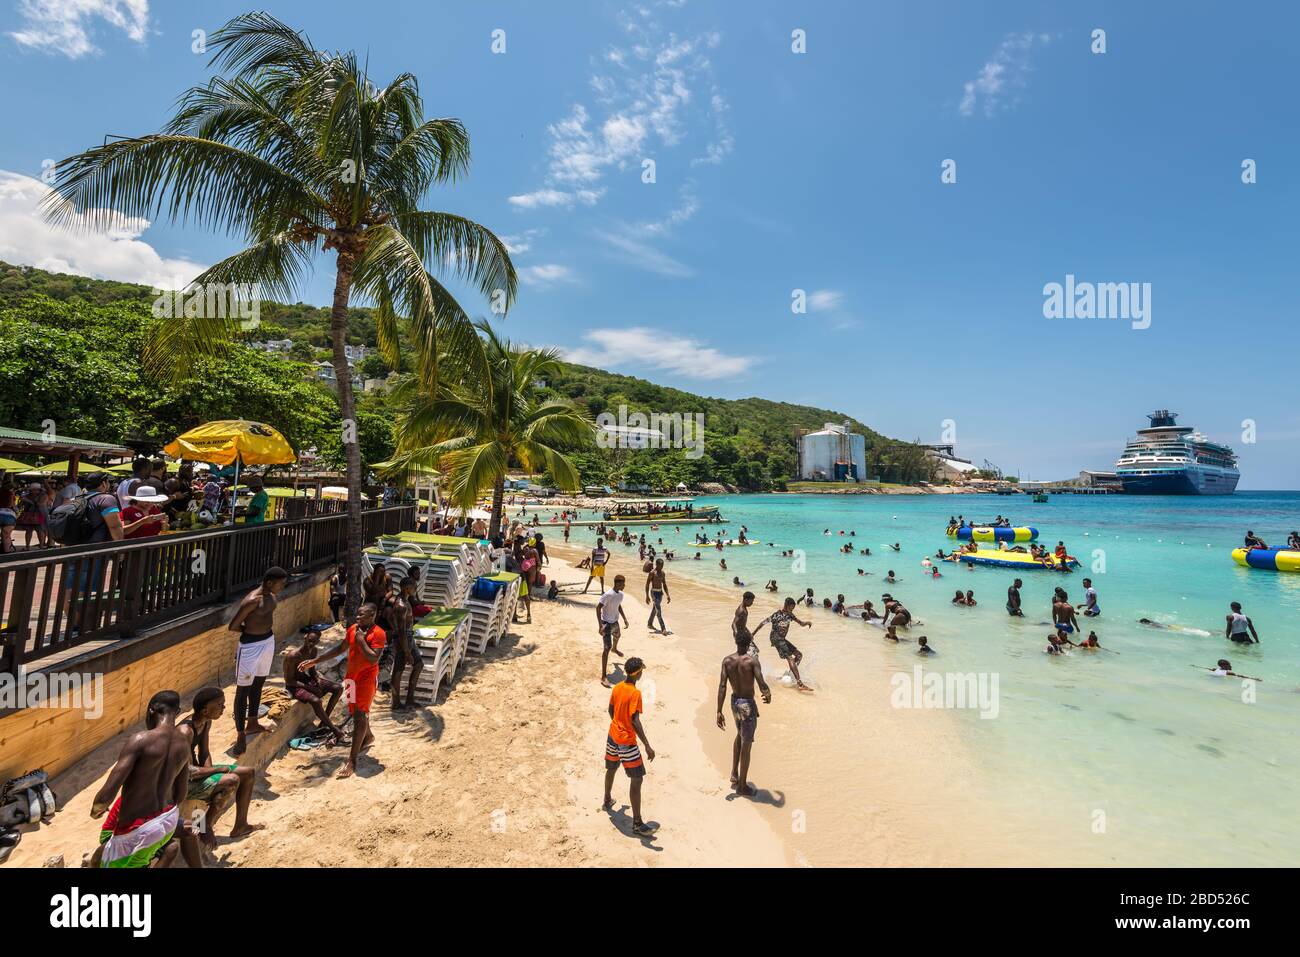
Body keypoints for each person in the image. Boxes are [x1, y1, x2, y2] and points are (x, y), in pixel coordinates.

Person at [91, 690, 190, 868]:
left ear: (151, 711)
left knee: (100, 863)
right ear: (178, 711)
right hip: (167, 820)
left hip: (137, 830)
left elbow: (106, 796)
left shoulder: (140, 740)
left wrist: (96, 809)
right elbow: (181, 794)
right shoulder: (184, 744)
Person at [300, 602, 386, 778]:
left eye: (362, 615)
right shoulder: (353, 628)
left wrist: (361, 640)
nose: (358, 617)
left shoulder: (379, 634)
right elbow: (340, 648)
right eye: (358, 614)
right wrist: (315, 661)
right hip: (351, 678)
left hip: (366, 680)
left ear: (373, 615)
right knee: (355, 712)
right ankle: (368, 737)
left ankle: (352, 760)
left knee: (360, 715)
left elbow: (373, 659)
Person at [177, 687, 261, 859]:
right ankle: (205, 825)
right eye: (220, 704)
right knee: (231, 780)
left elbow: (205, 752)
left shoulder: (206, 721)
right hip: (182, 781)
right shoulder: (185, 731)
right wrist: (216, 772)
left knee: (249, 772)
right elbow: (188, 772)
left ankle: (240, 825)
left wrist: (210, 773)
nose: (224, 707)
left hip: (198, 772)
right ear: (205, 710)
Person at [226, 566, 289, 756]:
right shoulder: (252, 601)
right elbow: (233, 625)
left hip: (267, 642)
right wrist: (250, 633)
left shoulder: (272, 597)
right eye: (280, 584)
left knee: (258, 683)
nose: (282, 587)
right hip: (250, 647)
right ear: (269, 582)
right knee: (242, 689)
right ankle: (240, 734)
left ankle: (252, 722)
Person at [602, 657, 656, 837]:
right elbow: (635, 721)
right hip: (626, 741)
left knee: (611, 768)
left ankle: (607, 799)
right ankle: (638, 823)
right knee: (637, 778)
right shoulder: (635, 693)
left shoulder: (617, 687)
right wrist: (647, 745)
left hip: (612, 736)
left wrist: (618, 724)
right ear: (638, 673)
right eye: (641, 671)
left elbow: (611, 710)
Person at [717, 631, 772, 797]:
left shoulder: (727, 661)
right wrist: (768, 695)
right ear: (750, 643)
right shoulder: (752, 661)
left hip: (734, 702)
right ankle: (742, 786)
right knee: (747, 744)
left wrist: (719, 710)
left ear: (735, 641)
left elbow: (722, 686)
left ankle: (734, 773)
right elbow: (762, 683)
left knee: (740, 736)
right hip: (747, 705)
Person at [283, 626, 345, 741]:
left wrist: (317, 679)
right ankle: (334, 729)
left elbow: (312, 671)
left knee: (338, 688)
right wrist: (309, 688)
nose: (311, 644)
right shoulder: (292, 656)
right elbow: (289, 680)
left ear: (318, 642)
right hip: (294, 686)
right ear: (305, 637)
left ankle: (323, 722)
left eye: (314, 642)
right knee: (316, 701)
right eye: (309, 641)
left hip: (305, 680)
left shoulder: (313, 651)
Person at [751, 598, 813, 692]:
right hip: (776, 638)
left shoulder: (790, 615)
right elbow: (762, 623)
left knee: (799, 655)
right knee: (790, 658)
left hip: (782, 639)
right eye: (791, 608)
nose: (792, 610)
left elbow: (801, 623)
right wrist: (753, 634)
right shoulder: (776, 615)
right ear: (786, 605)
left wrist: (807, 623)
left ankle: (790, 674)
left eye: (793, 609)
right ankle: (800, 683)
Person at [388, 577, 424, 710]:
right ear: (406, 588)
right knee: (398, 670)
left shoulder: (406, 601)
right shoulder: (401, 606)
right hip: (403, 640)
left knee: (419, 664)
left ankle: (409, 699)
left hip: (408, 637)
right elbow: (402, 631)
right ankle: (396, 702)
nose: (416, 589)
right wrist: (407, 651)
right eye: (414, 587)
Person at [597, 574, 630, 688]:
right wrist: (600, 625)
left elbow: (618, 606)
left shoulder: (620, 595)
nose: (624, 585)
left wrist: (625, 618)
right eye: (623, 583)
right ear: (617, 583)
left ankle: (615, 649)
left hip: (615, 622)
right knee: (606, 649)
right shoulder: (608, 595)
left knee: (618, 635)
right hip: (606, 623)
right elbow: (598, 608)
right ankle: (603, 676)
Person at [645, 558, 671, 635]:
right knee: (658, 610)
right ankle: (663, 628)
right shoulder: (652, 573)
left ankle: (649, 623)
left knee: (655, 608)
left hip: (660, 593)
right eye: (661, 565)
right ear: (657, 565)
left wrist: (668, 595)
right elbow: (647, 584)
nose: (662, 567)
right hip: (654, 592)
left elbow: (664, 584)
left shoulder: (663, 573)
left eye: (663, 565)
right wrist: (647, 596)